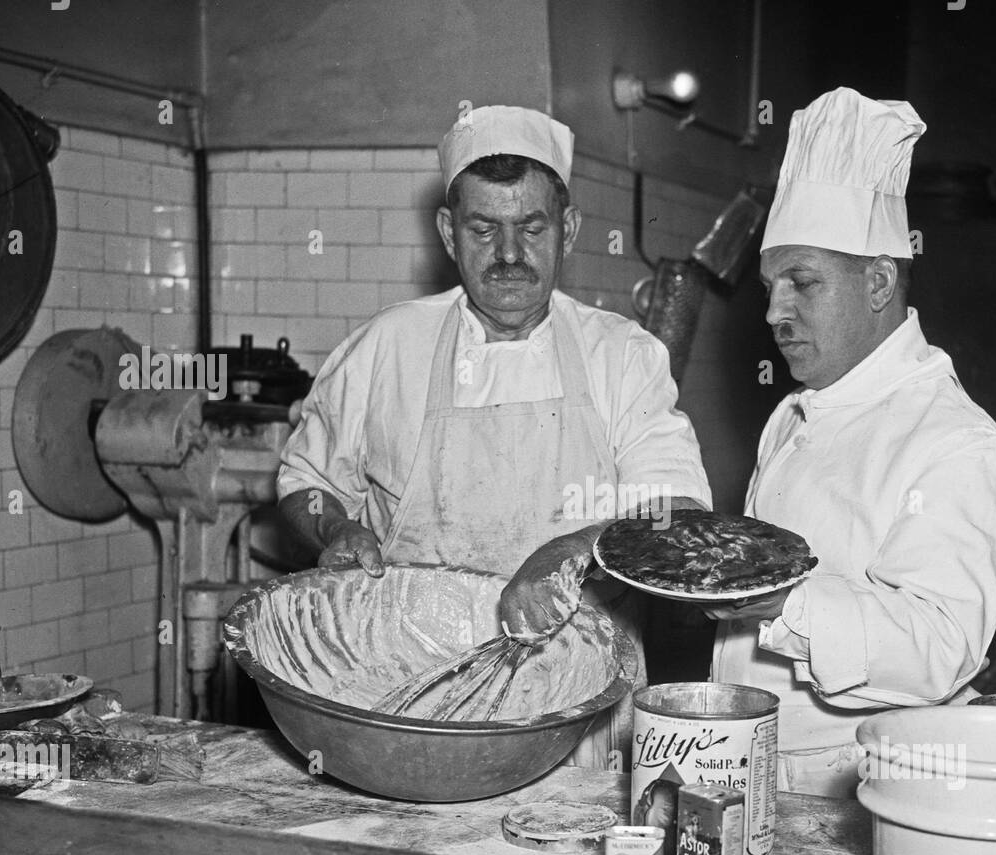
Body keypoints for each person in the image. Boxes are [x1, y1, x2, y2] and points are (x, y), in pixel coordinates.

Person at [278, 105, 711, 765]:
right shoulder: (388, 347)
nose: (509, 255)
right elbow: (304, 482)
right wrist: (334, 530)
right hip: (416, 706)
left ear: (568, 228)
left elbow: (675, 514)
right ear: (449, 233)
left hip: (585, 720)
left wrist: (571, 550)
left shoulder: (621, 355)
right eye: (485, 229)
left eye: (531, 228)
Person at [708, 88, 996, 798]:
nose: (774, 311)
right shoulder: (794, 416)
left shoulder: (956, 444)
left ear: (879, 279)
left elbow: (939, 647)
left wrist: (783, 601)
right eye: (769, 286)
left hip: (863, 789)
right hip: (755, 768)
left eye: (802, 282)